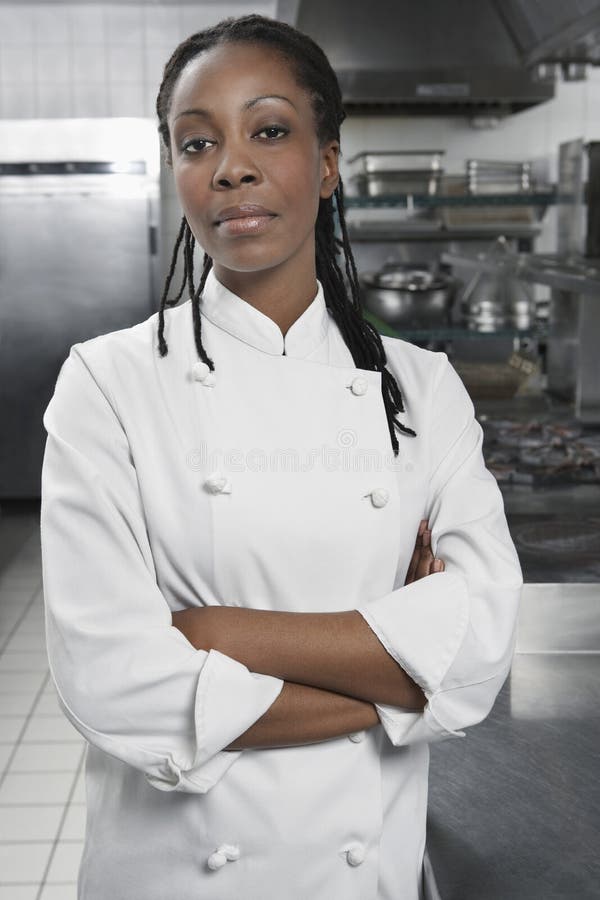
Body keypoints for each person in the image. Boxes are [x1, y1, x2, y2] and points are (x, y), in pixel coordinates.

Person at [39, 13, 523, 900]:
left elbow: (482, 647)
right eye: (196, 143)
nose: (231, 166)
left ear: (328, 162)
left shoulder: (420, 387)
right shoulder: (106, 385)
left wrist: (221, 635)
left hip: (362, 874)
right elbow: (118, 681)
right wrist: (405, 682)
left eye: (268, 130)